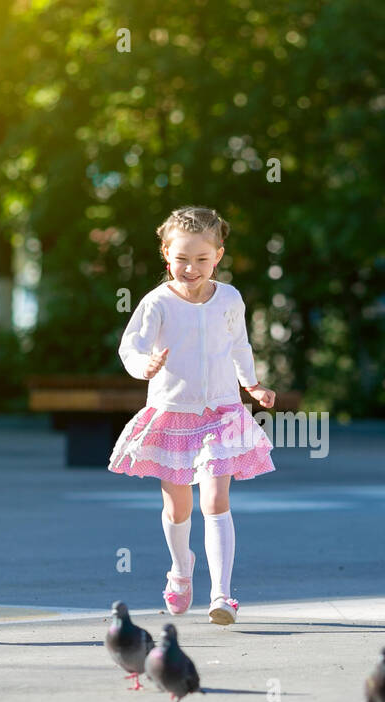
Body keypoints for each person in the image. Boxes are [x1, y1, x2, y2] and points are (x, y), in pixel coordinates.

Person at [108, 206, 277, 625]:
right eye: (181, 258)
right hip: (173, 414)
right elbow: (131, 347)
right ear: (166, 254)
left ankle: (222, 595)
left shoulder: (230, 299)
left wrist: (251, 385)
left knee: (216, 499)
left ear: (218, 256)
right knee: (177, 507)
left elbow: (239, 346)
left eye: (202, 259)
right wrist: (143, 365)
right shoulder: (157, 303)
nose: (191, 267)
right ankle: (181, 570)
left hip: (221, 412)